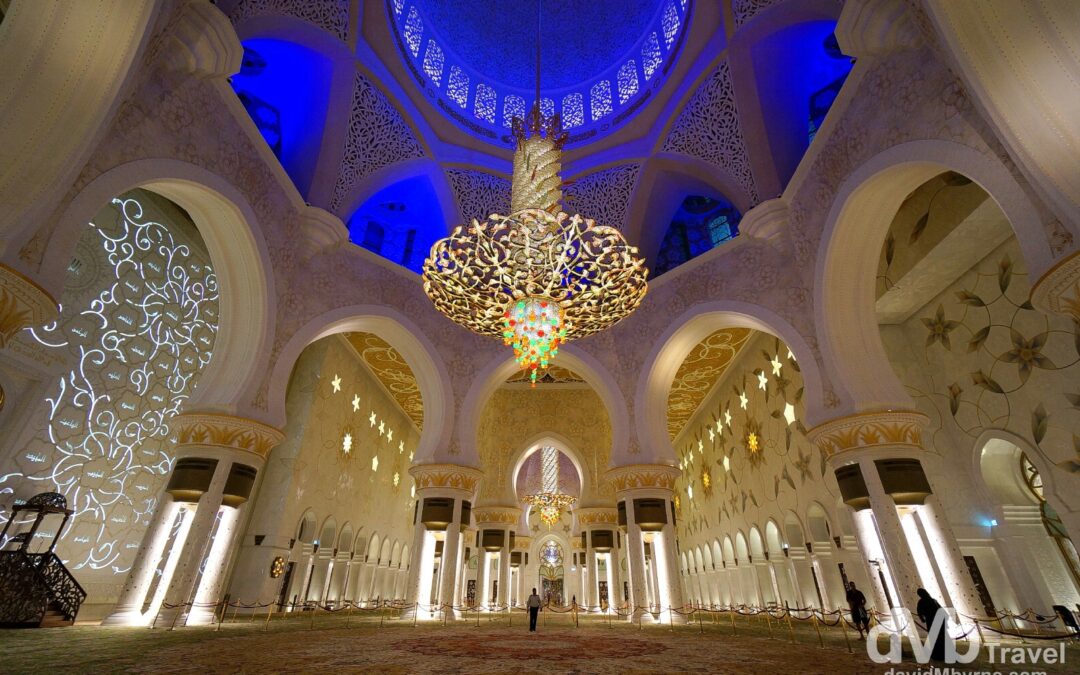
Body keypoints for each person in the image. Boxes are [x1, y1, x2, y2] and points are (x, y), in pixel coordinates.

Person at [916, 588, 949, 662]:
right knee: (942, 637)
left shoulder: (921, 602)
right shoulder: (933, 600)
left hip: (931, 621)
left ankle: (938, 655)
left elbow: (919, 611)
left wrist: (922, 619)